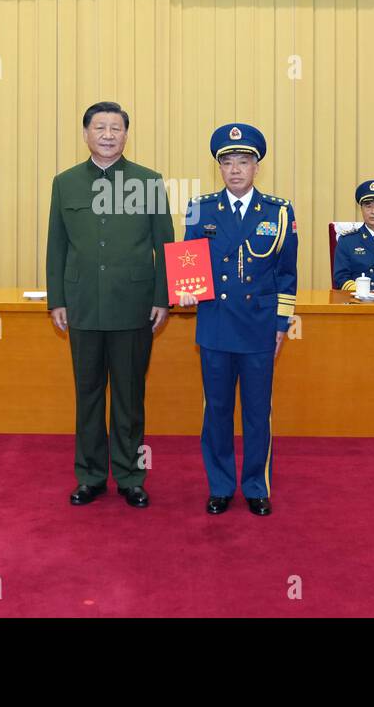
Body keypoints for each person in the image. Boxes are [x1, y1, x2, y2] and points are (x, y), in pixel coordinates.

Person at [46, 101, 173, 509]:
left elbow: (165, 245)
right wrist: (57, 299)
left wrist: (162, 299)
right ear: (85, 134)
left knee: (129, 397)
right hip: (82, 304)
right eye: (99, 127)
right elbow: (56, 245)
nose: (107, 134)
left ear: (125, 135)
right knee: (88, 395)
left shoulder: (148, 182)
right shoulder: (64, 183)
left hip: (134, 305)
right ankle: (90, 476)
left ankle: (131, 476)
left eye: (115, 128)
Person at [178, 123, 297, 516]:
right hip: (215, 324)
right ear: (219, 167)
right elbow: (189, 260)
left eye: (243, 161)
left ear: (256, 166)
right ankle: (221, 485)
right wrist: (184, 290)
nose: (234, 169)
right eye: (227, 162)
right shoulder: (201, 207)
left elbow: (286, 272)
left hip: (259, 326)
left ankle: (256, 485)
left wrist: (281, 324)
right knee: (216, 410)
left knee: (257, 411)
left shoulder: (279, 211)